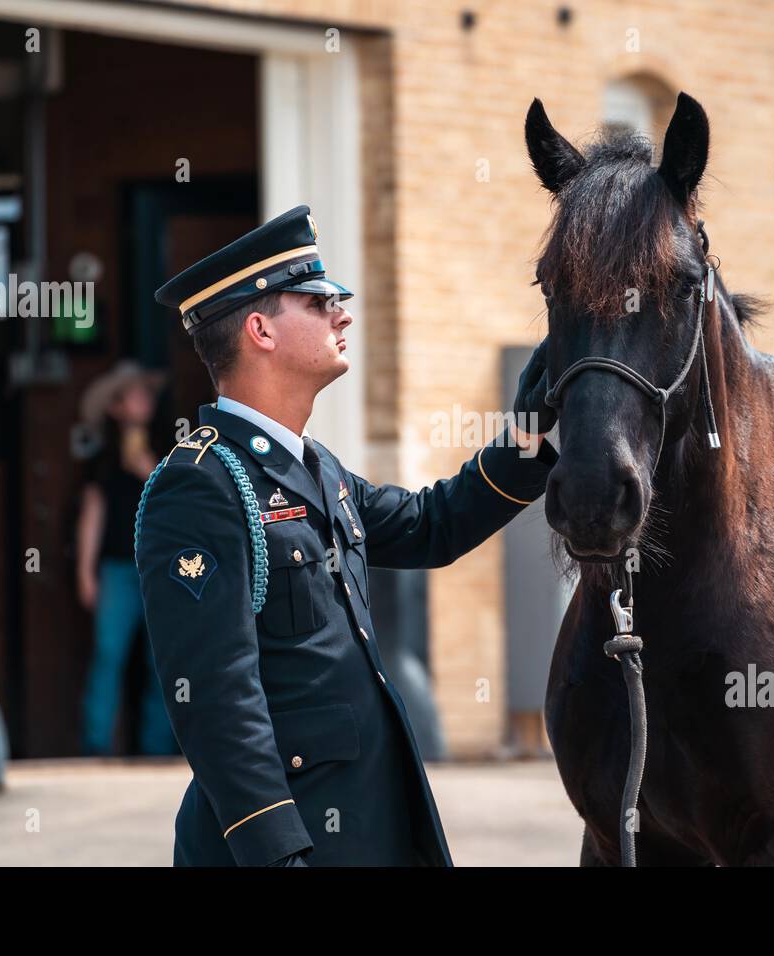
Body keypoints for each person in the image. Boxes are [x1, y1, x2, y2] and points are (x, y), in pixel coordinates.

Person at [137, 204, 559, 866]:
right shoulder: (201, 484)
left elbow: (429, 526)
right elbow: (216, 697)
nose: (344, 313)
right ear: (260, 330)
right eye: (319, 300)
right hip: (294, 841)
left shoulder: (314, 465)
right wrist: (277, 851)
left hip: (370, 822)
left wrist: (527, 441)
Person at [77, 361, 177, 757]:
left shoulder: (172, 445)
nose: (143, 399)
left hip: (162, 570)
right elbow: (92, 510)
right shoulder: (101, 454)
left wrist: (148, 469)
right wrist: (85, 571)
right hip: (117, 568)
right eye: (133, 394)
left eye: (145, 392)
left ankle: (158, 748)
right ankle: (96, 745)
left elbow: (181, 502)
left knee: (163, 661)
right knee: (108, 654)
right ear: (115, 407)